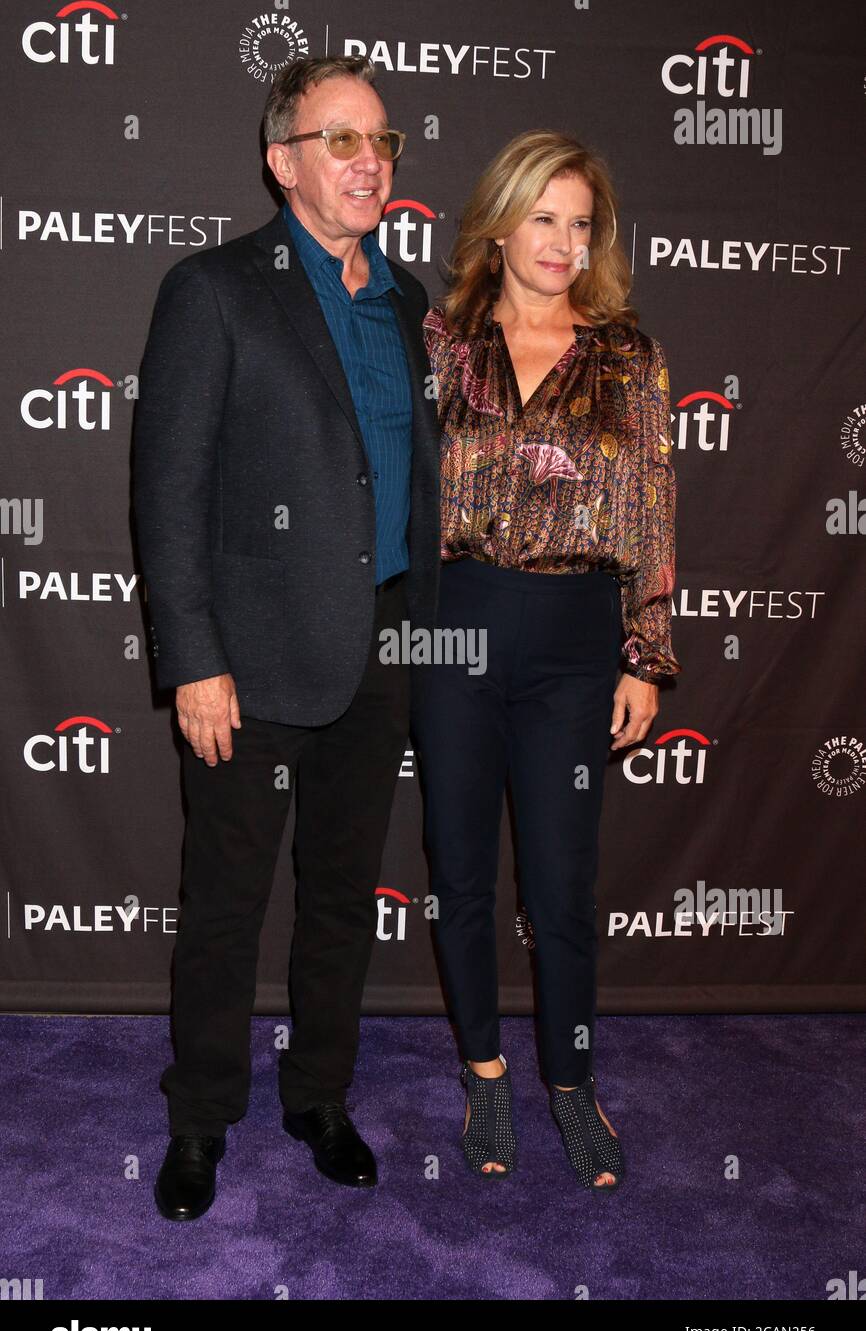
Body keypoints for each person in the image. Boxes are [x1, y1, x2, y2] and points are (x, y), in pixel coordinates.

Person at [132, 55, 440, 1220]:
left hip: (383, 649)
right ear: (283, 161)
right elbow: (168, 492)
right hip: (249, 662)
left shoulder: (408, 302)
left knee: (337, 895)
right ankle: (201, 1117)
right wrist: (194, 658)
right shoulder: (213, 290)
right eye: (341, 140)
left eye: (381, 141)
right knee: (222, 905)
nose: (370, 163)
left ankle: (319, 1095)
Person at [413, 128, 681, 1190]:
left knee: (563, 879)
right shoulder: (437, 342)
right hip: (451, 623)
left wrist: (644, 655)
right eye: (543, 217)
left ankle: (570, 1081)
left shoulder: (629, 355)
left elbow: (653, 509)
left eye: (579, 223)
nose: (563, 241)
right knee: (458, 864)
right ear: (500, 221)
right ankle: (483, 1072)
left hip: (575, 640)